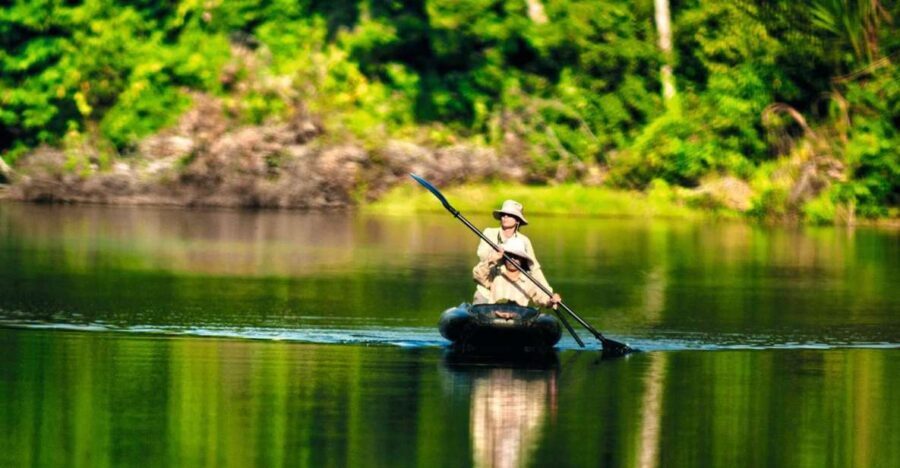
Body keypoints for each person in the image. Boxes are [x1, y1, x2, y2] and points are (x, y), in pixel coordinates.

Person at [473, 200, 550, 304]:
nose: (505, 217)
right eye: (503, 214)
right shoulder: (489, 232)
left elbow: (534, 268)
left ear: (517, 220)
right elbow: (482, 256)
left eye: (510, 215)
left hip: (513, 288)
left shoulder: (523, 240)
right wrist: (496, 254)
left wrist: (549, 294)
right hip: (488, 285)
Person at [473, 236, 561, 308]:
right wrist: (491, 259)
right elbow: (478, 276)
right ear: (504, 257)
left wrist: (551, 301)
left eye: (516, 257)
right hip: (494, 319)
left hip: (518, 322)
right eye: (509, 256)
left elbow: (542, 298)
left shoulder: (529, 280)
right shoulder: (496, 273)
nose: (512, 260)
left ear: (522, 260)